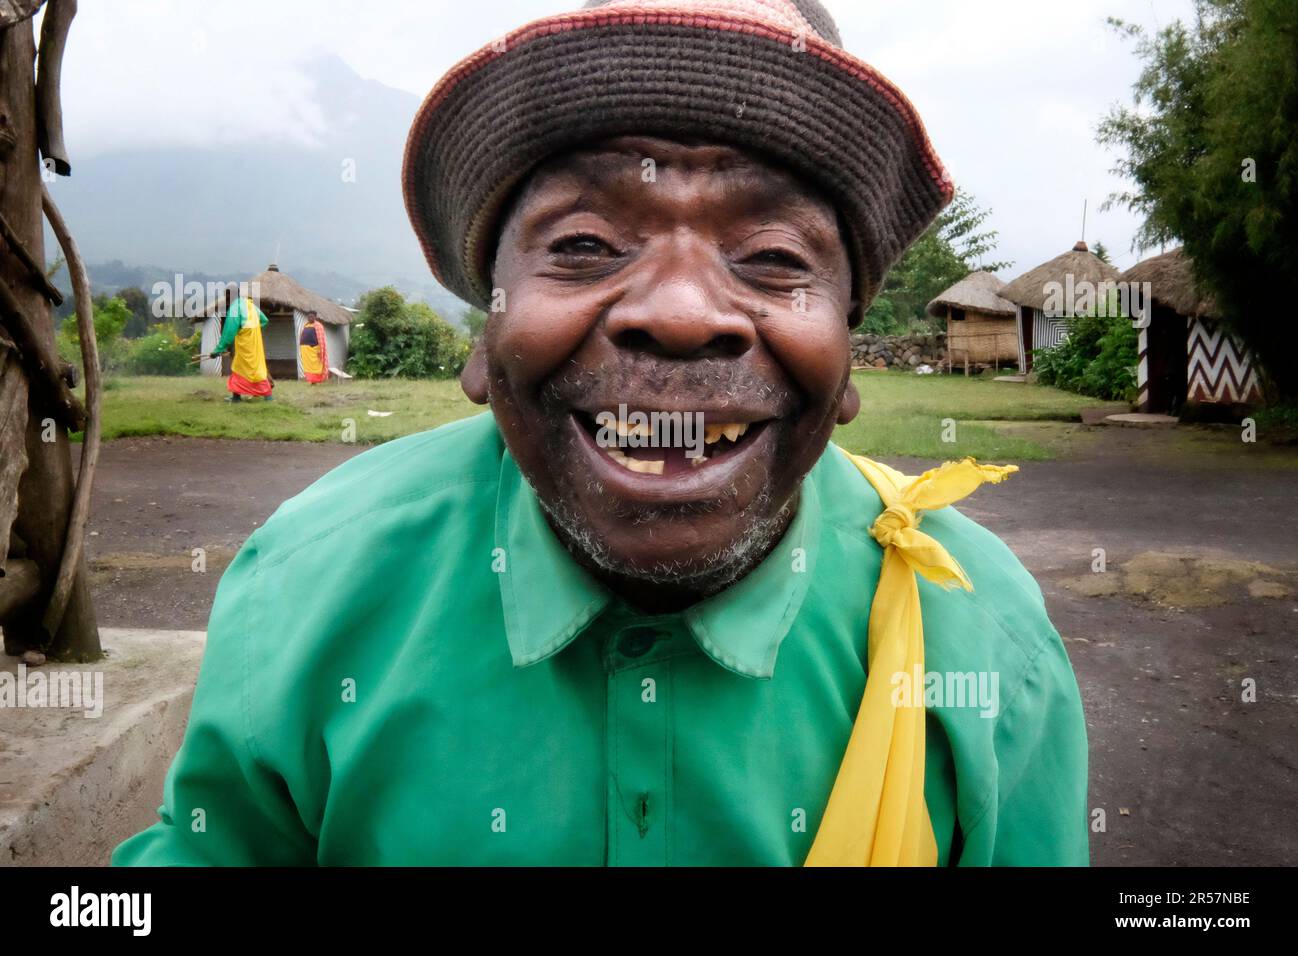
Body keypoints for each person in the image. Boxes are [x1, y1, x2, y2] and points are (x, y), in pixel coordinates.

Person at [113, 0, 1088, 866]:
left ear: (844, 366)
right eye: (582, 245)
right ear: (483, 350)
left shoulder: (982, 639)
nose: (677, 312)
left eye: (773, 254)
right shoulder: (311, 585)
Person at [210, 282, 273, 401]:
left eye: (226, 296)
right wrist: (253, 331)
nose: (226, 299)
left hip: (245, 345)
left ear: (230, 295)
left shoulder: (235, 308)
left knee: (240, 367)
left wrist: (218, 350)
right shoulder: (249, 305)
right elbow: (264, 320)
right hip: (255, 344)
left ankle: (264, 397)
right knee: (254, 368)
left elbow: (228, 333)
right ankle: (238, 396)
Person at [298, 310, 329, 384]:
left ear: (315, 317)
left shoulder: (318, 326)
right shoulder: (306, 325)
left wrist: (319, 350)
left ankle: (317, 380)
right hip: (306, 351)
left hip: (314, 350)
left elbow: (321, 339)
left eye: (311, 317)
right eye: (308, 317)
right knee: (307, 366)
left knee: (316, 366)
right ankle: (311, 380)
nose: (310, 318)